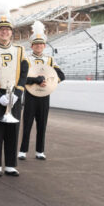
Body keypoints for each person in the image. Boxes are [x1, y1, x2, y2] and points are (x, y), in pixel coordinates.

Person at [0, 6, 28, 177]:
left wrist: (18, 93)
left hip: (14, 95)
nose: (4, 32)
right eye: (1, 30)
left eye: (7, 30)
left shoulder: (20, 50)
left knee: (13, 131)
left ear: (11, 32)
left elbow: (24, 73)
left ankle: (11, 164)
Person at [18, 21, 65, 161]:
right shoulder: (26, 59)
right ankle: (23, 150)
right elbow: (21, 78)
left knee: (42, 124)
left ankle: (40, 150)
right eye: (36, 44)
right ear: (31, 46)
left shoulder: (50, 60)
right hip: (30, 95)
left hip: (44, 95)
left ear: (44, 46)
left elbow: (61, 76)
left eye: (41, 44)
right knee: (27, 124)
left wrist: (48, 82)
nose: (38, 46)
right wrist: (35, 80)